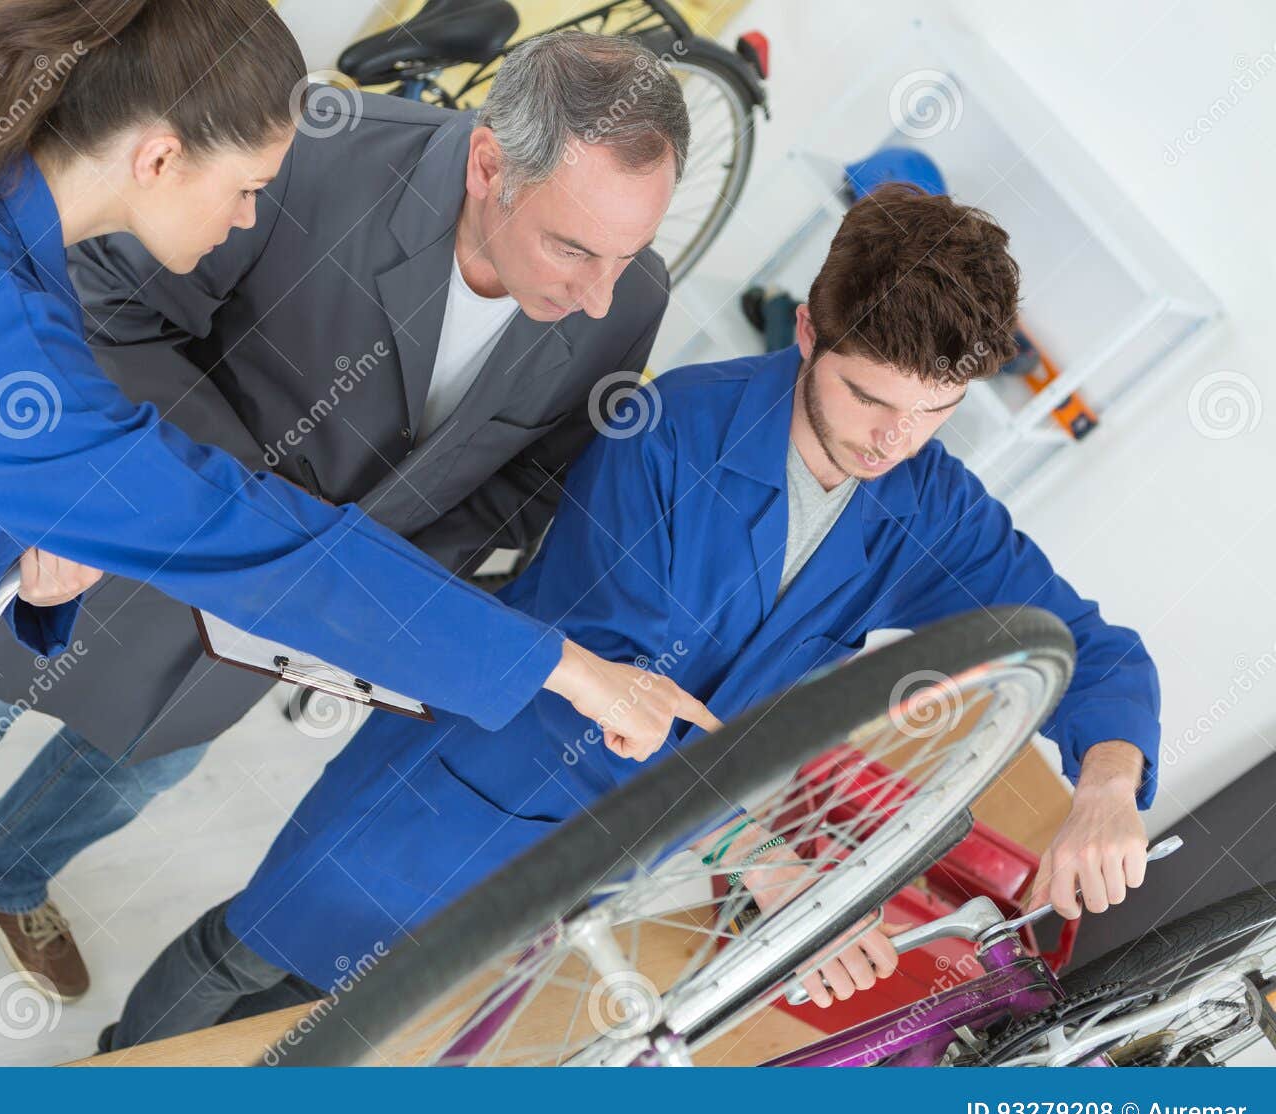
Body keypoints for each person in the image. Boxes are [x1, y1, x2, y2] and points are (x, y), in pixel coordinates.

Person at [0, 0, 714, 1068]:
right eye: (249, 188)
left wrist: (34, 577)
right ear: (161, 156)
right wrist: (563, 666)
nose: (251, 215)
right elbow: (241, 529)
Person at [99, 186, 1162, 1051]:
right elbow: (630, 701)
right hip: (478, 795)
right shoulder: (673, 434)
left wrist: (1106, 783)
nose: (893, 438)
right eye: (869, 398)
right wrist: (772, 872)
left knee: (377, 1048)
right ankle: (105, 1075)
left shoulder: (921, 501)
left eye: (932, 412)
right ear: (806, 331)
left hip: (621, 872)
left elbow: (1084, 642)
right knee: (260, 964)